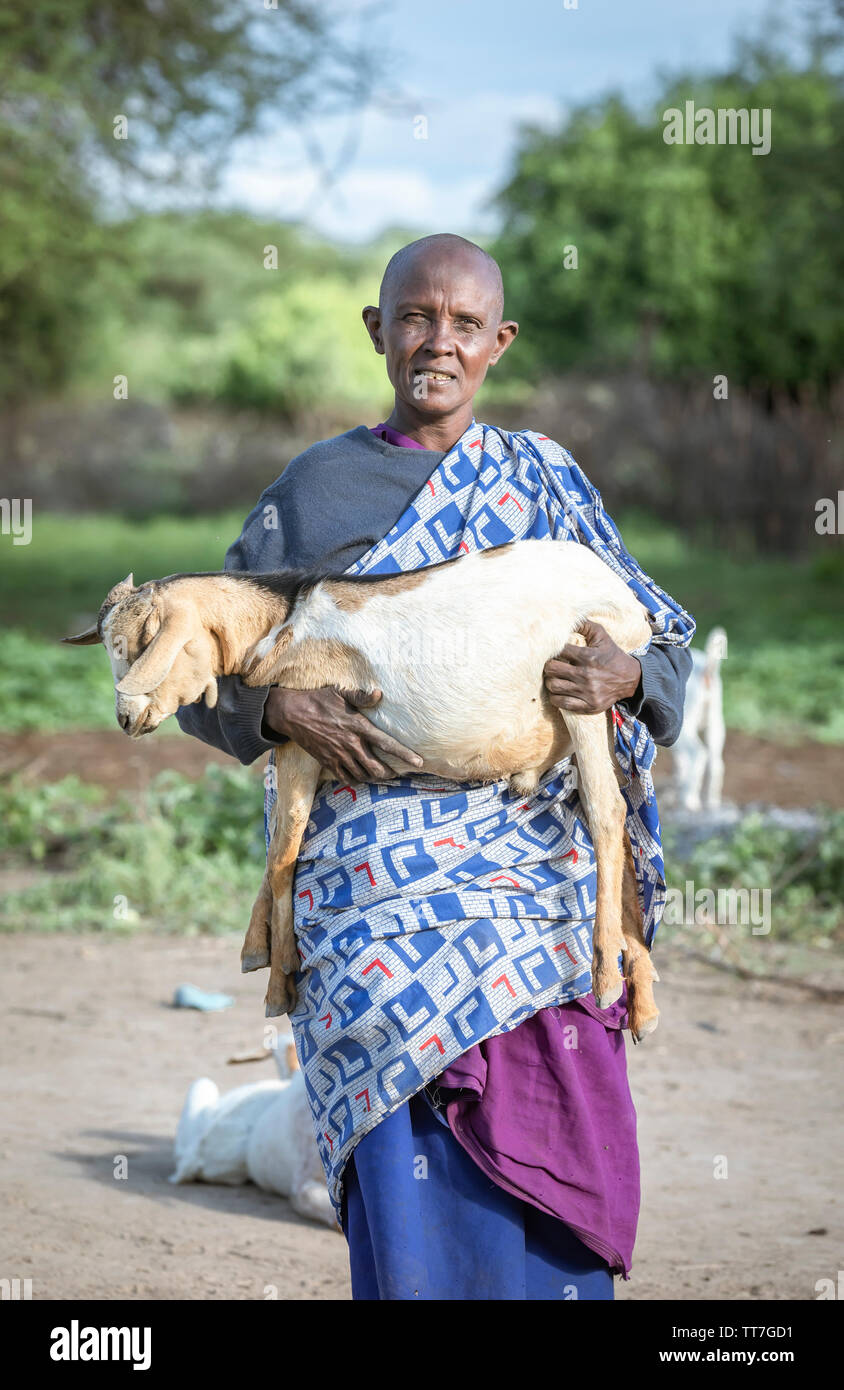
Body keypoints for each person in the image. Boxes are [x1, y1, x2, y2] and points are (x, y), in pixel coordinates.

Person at [177, 233, 694, 1301]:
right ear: (378, 330)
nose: (437, 343)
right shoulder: (314, 491)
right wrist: (276, 706)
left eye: (464, 325)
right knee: (389, 1042)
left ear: (498, 342)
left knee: (554, 1056)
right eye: (415, 317)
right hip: (369, 861)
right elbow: (202, 652)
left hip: (535, 855)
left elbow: (665, 646)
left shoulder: (543, 482)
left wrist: (624, 673)